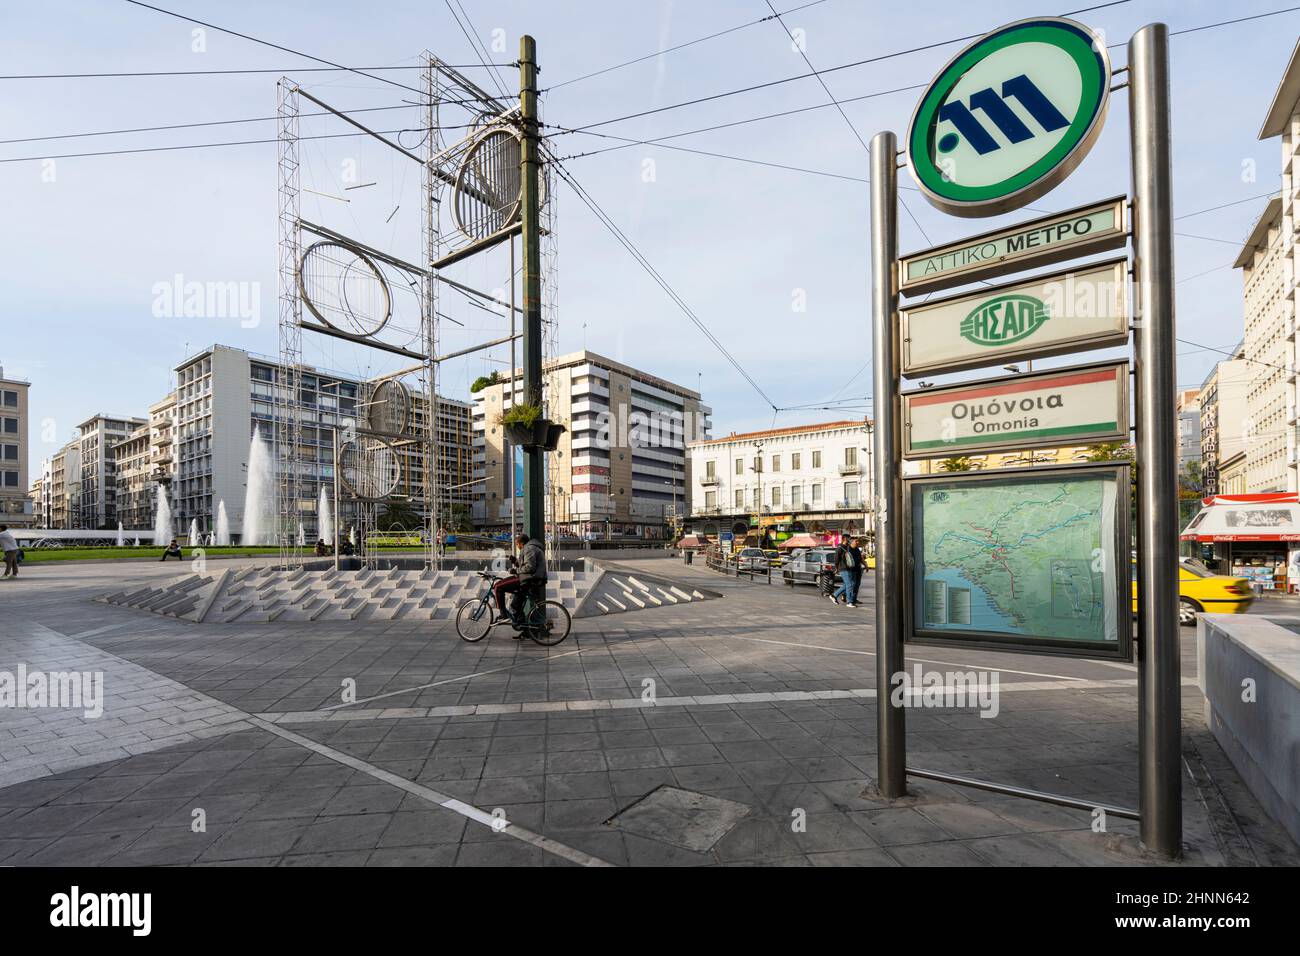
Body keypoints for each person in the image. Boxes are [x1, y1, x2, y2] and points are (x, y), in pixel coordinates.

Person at [495, 532, 547, 628]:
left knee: (498, 587)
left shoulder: (529, 548)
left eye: (517, 544)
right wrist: (515, 561)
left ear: (521, 543)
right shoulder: (530, 548)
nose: (517, 547)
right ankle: (525, 629)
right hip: (531, 578)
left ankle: (503, 615)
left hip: (529, 578)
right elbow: (526, 564)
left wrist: (515, 570)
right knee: (516, 605)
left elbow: (530, 567)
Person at [829, 536, 862, 608]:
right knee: (850, 584)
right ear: (845, 539)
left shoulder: (847, 547)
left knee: (851, 584)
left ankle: (834, 595)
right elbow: (836, 559)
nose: (849, 540)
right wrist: (836, 568)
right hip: (843, 569)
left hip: (849, 568)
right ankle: (849, 602)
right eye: (849, 539)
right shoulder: (840, 547)